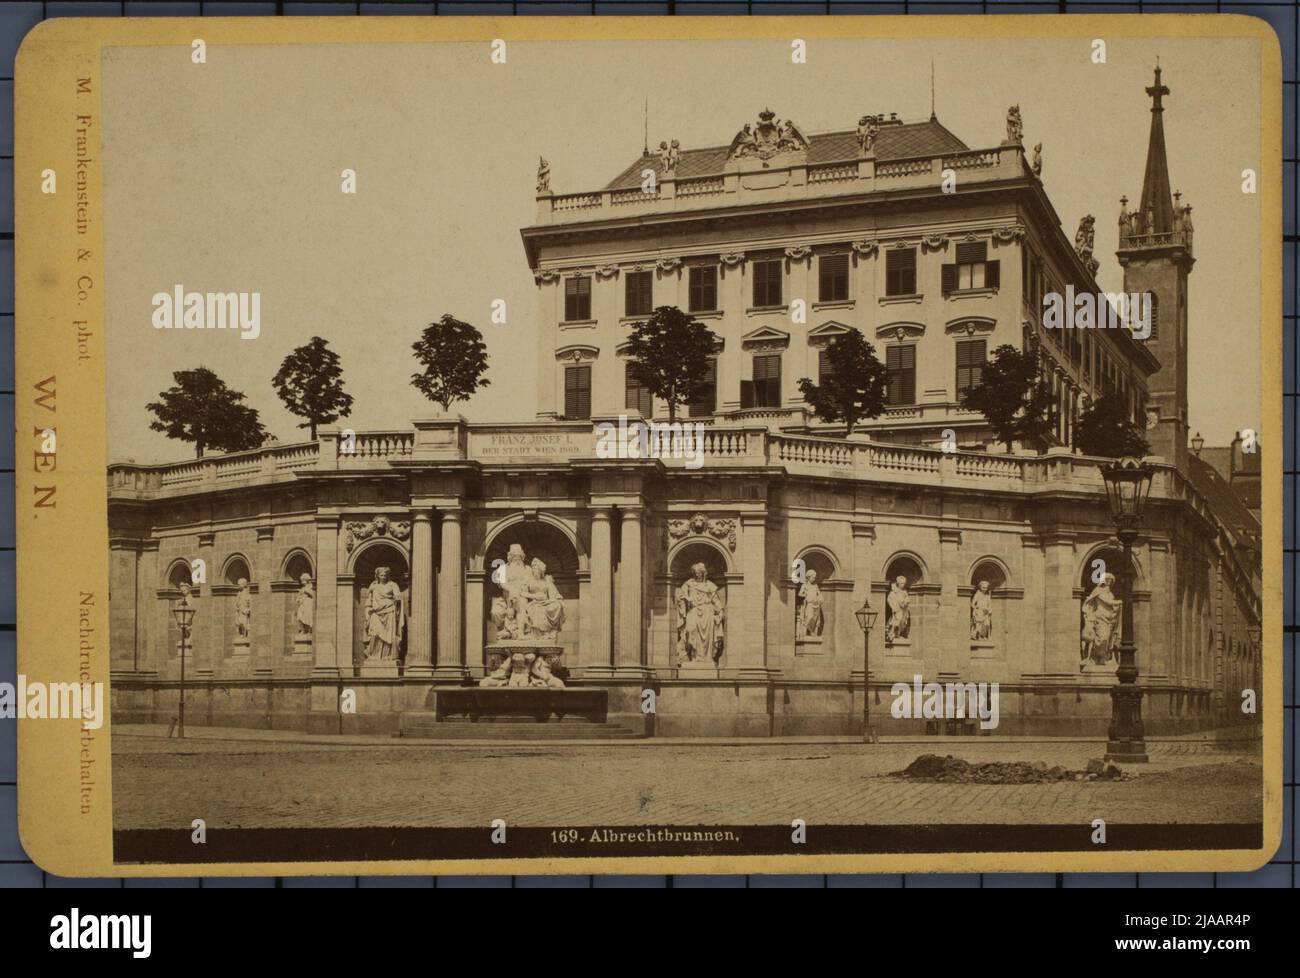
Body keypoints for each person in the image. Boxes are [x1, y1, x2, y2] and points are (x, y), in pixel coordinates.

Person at [676, 562, 724, 663]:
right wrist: (685, 599)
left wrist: (720, 610)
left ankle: (707, 658)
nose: (697, 574)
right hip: (693, 610)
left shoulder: (710, 585)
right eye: (695, 572)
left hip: (707, 611)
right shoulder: (688, 584)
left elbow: (715, 600)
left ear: (703, 573)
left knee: (707, 637)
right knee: (691, 631)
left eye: (699, 572)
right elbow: (680, 596)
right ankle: (694, 657)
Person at [363, 566, 404, 661]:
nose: (383, 577)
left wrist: (397, 599)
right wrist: (367, 613)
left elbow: (398, 597)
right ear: (377, 576)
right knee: (374, 634)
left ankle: (387, 655)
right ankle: (373, 655)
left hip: (390, 611)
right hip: (376, 612)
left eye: (385, 575)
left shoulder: (393, 585)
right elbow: (369, 600)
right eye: (381, 575)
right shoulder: (373, 586)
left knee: (389, 635)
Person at [1081, 573, 1120, 667]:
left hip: (1109, 618)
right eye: (1107, 580)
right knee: (1102, 637)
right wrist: (1120, 602)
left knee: (1107, 640)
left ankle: (1102, 658)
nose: (1109, 582)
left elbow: (1111, 604)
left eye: (1111, 581)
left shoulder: (1110, 593)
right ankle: (1095, 658)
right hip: (1100, 617)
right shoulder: (1098, 590)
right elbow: (1107, 601)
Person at [797, 569, 824, 637]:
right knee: (809, 617)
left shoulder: (815, 586)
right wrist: (805, 595)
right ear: (809, 577)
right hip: (809, 604)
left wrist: (820, 598)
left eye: (815, 578)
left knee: (815, 619)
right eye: (813, 577)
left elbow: (819, 594)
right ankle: (806, 633)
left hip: (816, 604)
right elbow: (800, 594)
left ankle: (813, 633)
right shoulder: (805, 585)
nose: (814, 579)